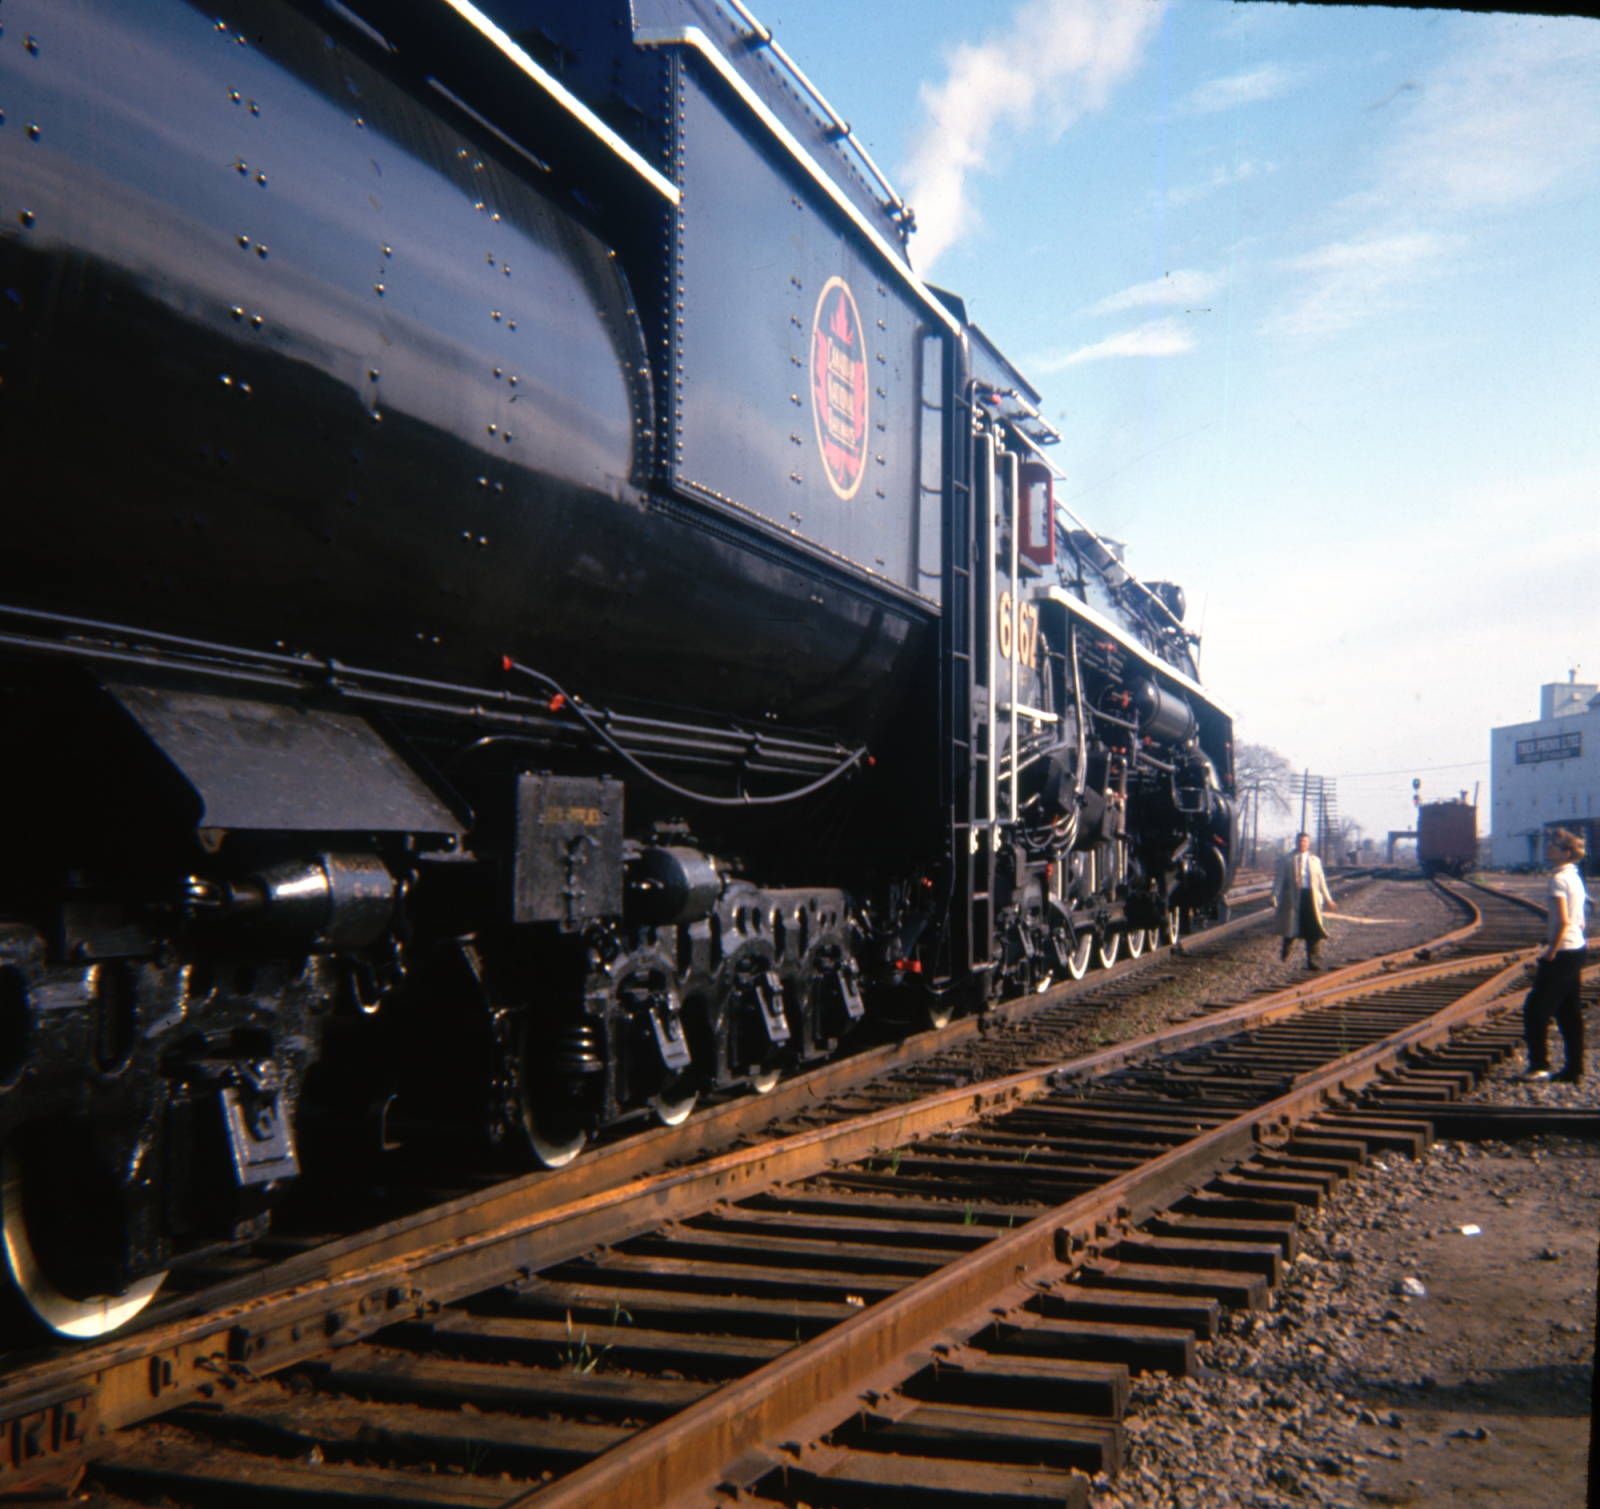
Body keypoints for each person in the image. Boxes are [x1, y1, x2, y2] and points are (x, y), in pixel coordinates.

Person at [1522, 828, 1590, 1083]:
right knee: (1568, 1012)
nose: (1547, 849)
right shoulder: (1574, 877)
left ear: (1566, 853)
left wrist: (1551, 950)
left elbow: (1562, 920)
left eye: (1553, 846)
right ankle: (1575, 1069)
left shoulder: (1559, 879)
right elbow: (1579, 918)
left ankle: (1539, 1066)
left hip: (1563, 952)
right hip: (1576, 948)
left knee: (1535, 1011)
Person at [1274, 832, 1337, 969]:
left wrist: (1328, 899)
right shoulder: (1287, 859)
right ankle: (1287, 948)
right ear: (1297, 843)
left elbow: (1322, 881)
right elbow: (1279, 879)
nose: (1302, 843)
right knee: (1292, 925)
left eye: (1305, 841)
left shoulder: (1315, 860)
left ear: (1308, 843)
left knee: (1313, 928)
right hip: (1294, 896)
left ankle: (1313, 961)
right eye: (1300, 841)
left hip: (1312, 898)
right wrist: (1274, 896)